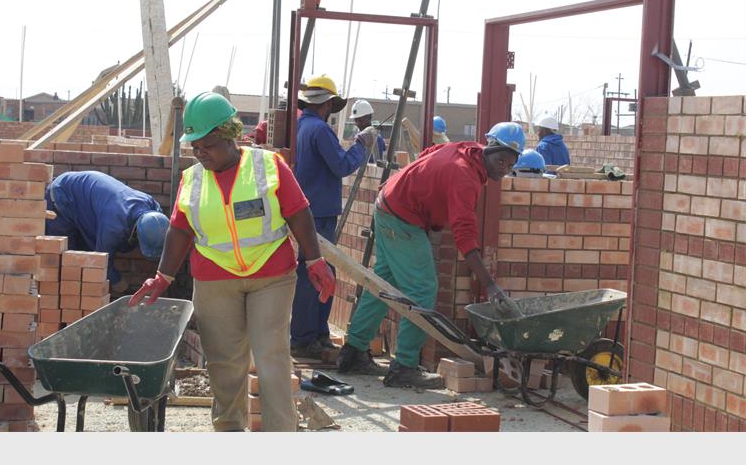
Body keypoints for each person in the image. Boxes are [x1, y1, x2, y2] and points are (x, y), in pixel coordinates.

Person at [128, 91, 334, 432]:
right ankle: (229, 434)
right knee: (224, 365)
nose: (199, 153)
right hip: (214, 281)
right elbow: (180, 231)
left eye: (207, 145)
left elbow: (299, 213)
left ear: (230, 136)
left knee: (271, 359)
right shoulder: (192, 179)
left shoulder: (268, 166)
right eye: (194, 147)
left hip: (271, 276)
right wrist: (162, 276)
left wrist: (315, 262)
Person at [336, 121, 526, 388]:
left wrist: (422, 188)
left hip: (389, 206)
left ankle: (353, 352)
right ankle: (404, 366)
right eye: (501, 161)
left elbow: (429, 153)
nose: (504, 169)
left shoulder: (467, 149)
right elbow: (464, 234)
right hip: (401, 217)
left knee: (383, 285)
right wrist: (491, 286)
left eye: (510, 165)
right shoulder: (466, 177)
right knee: (423, 289)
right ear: (490, 148)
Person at [291, 74, 377, 359]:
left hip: (308, 211)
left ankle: (316, 335)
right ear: (328, 104)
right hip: (319, 214)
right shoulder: (320, 130)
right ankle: (306, 338)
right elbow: (341, 166)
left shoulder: (302, 126)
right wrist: (361, 146)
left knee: (313, 273)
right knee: (314, 274)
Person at [44, 171, 169, 293]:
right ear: (136, 232)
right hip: (62, 196)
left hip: (84, 195)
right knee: (69, 262)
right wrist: (121, 286)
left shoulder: (154, 209)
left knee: (83, 256)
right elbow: (101, 261)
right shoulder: (114, 227)